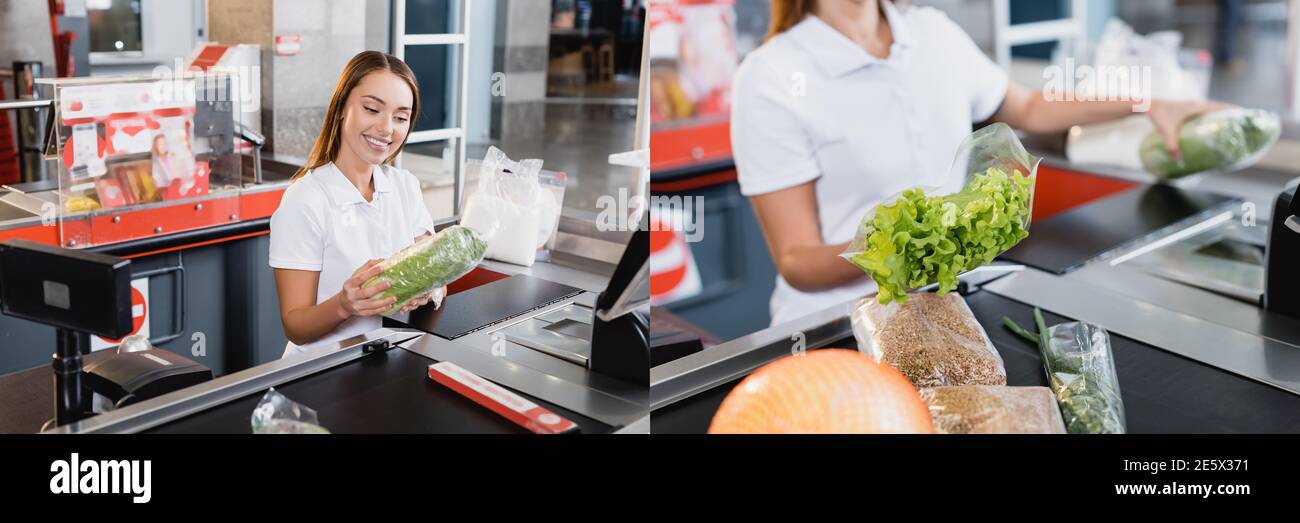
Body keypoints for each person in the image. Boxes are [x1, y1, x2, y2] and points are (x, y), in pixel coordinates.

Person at [731, 0, 1227, 326]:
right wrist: (909, 246)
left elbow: (1029, 107)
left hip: (948, 308)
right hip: (834, 326)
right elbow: (797, 259)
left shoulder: (932, 32)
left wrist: (1146, 102)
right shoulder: (771, 76)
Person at [269, 51, 442, 357]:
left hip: (392, 360)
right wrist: (343, 304)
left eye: (400, 118)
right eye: (372, 109)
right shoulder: (306, 199)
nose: (387, 127)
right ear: (341, 108)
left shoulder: (406, 187)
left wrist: (431, 289)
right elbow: (294, 325)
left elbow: (436, 274)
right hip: (319, 371)